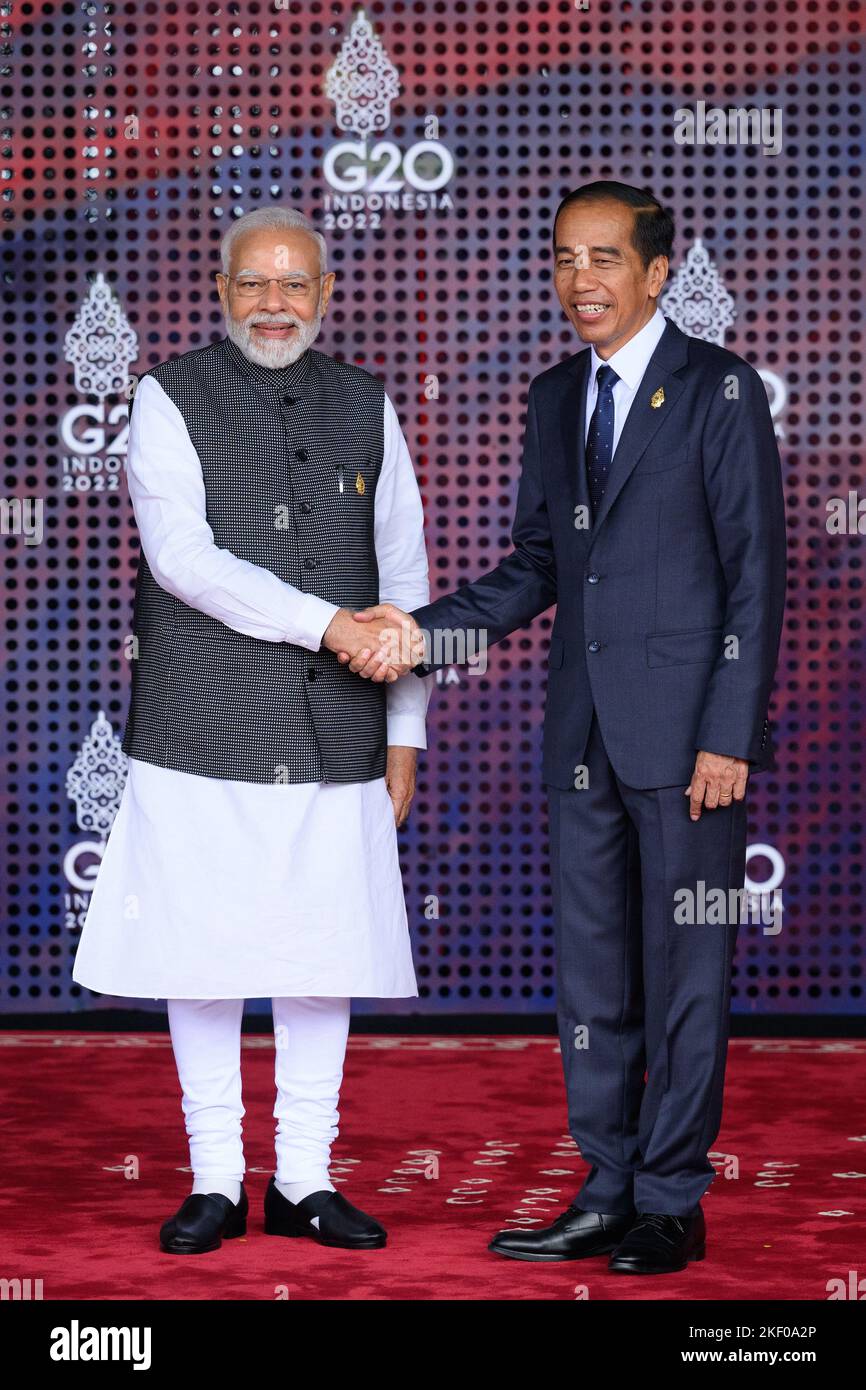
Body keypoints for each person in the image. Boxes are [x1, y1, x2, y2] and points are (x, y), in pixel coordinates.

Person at [342, 182, 787, 1274]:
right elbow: (538, 567)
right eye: (561, 259)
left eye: (601, 259)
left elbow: (754, 579)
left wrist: (726, 736)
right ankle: (603, 1184)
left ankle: (669, 1200)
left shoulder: (718, 391)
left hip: (690, 745)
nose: (578, 280)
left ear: (654, 272)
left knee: (684, 973)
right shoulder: (552, 396)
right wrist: (417, 636)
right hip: (582, 736)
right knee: (592, 979)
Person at [72, 205, 431, 1255]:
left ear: (324, 298)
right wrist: (327, 624)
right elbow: (183, 559)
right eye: (252, 284)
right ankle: (218, 1180)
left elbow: (401, 577)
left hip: (341, 728)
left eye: (295, 286)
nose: (274, 305)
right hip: (203, 724)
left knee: (322, 959)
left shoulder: (366, 403)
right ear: (220, 292)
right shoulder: (166, 398)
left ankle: (306, 1179)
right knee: (206, 956)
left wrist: (404, 727)